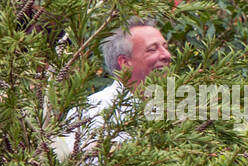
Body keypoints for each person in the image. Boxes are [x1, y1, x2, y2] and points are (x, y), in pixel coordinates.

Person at [53, 19, 172, 158]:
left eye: (165, 47)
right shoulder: (91, 112)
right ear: (125, 62)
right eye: (152, 49)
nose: (167, 55)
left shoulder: (177, 105)